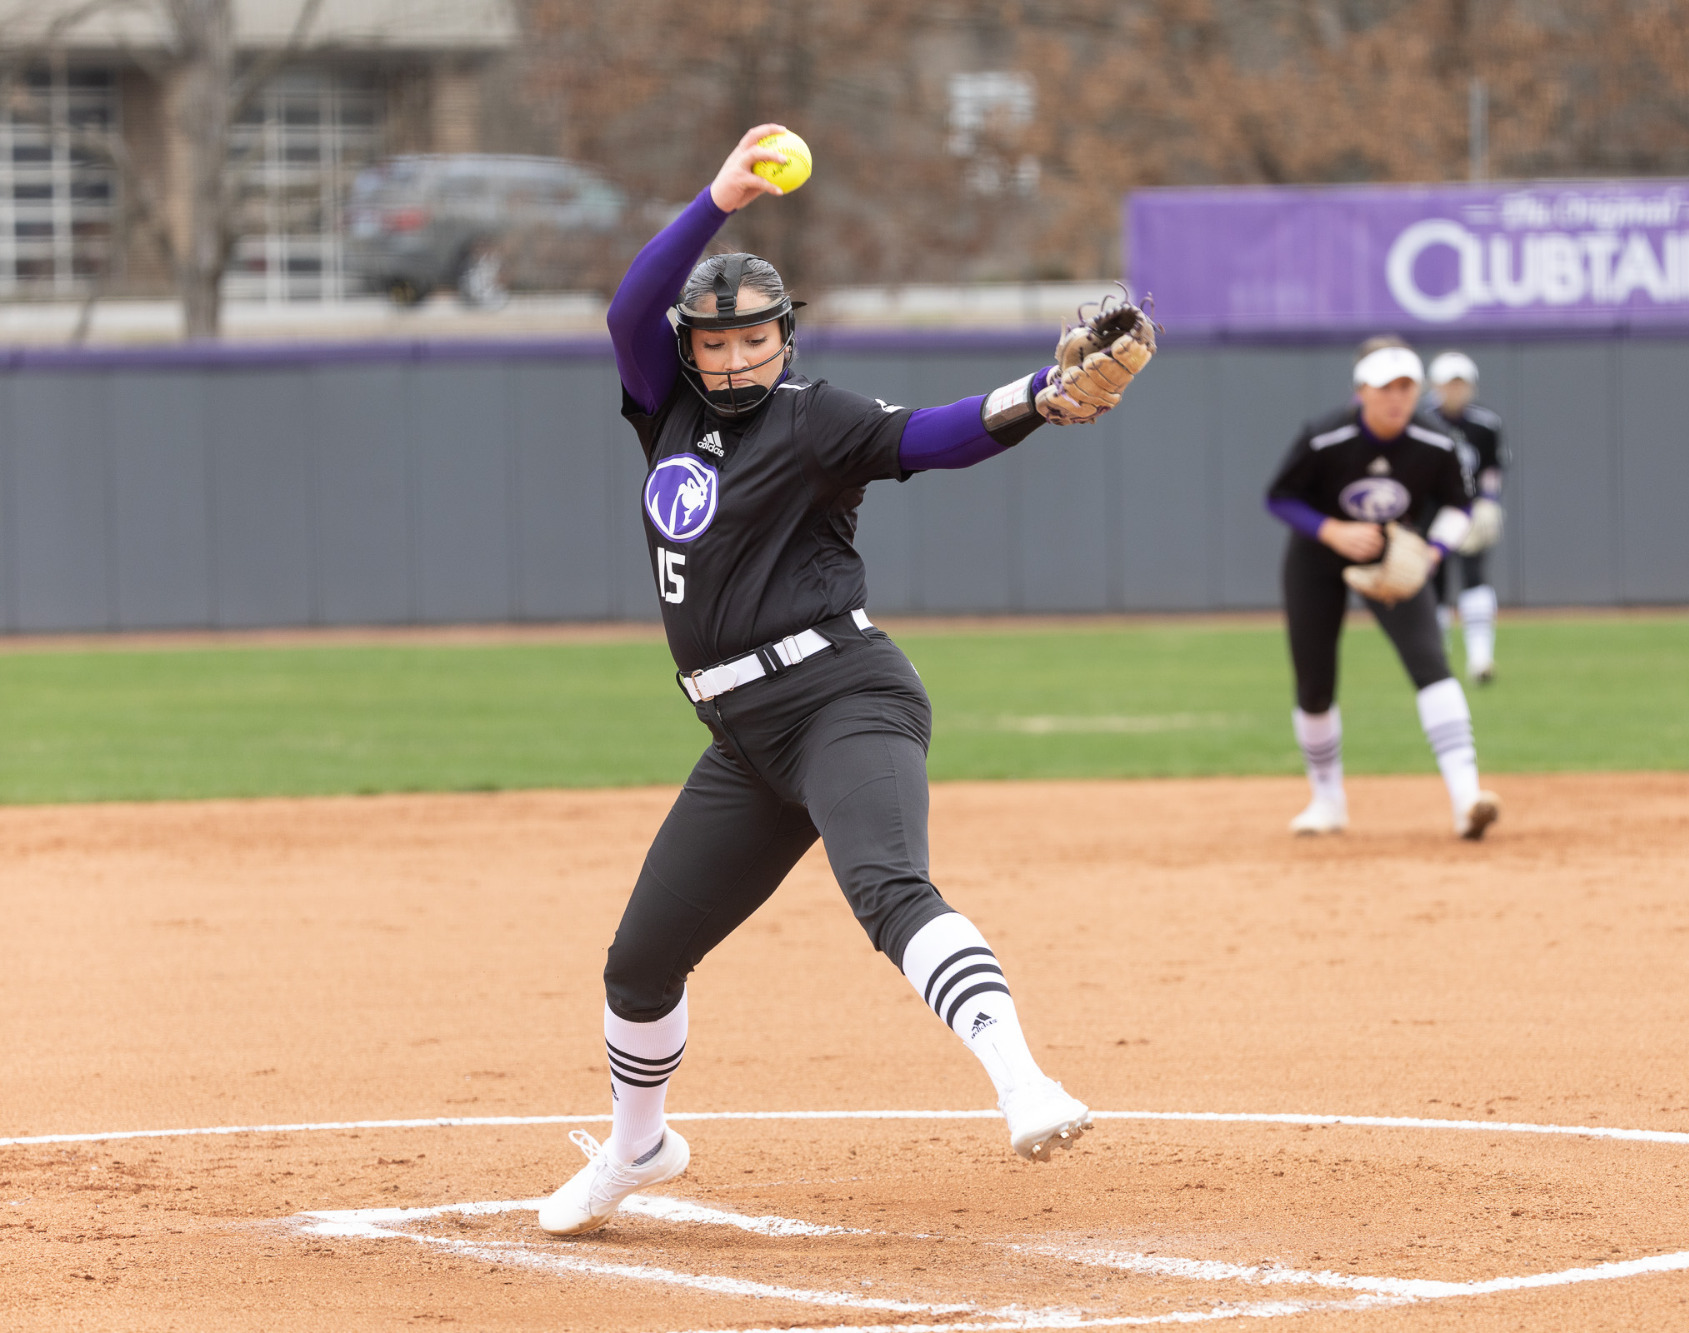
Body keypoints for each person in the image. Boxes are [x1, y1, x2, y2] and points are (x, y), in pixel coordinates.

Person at [537, 125, 1155, 1237]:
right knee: (638, 963)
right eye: (715, 342)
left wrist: (1037, 394)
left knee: (887, 887)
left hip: (842, 696)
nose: (735, 358)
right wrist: (718, 196)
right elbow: (630, 310)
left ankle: (1023, 1081)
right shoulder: (665, 410)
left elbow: (932, 436)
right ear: (690, 352)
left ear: (785, 337)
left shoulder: (811, 417)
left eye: (755, 337)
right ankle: (638, 1148)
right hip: (742, 739)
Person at [1266, 336, 1501, 841]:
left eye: (1405, 386)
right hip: (1317, 557)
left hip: (1393, 558)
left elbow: (1460, 505)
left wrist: (1433, 553)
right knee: (1314, 683)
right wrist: (1332, 531)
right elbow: (1280, 497)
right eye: (1384, 387)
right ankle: (1327, 801)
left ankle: (1468, 799)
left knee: (1431, 665)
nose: (1396, 397)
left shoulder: (1436, 442)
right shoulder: (1325, 436)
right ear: (1361, 392)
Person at [1425, 351, 1505, 685]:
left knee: (1474, 576)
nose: (1455, 391)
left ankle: (1480, 658)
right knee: (1433, 583)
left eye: (1461, 384)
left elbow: (1491, 469)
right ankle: (1436, 660)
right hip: (1431, 512)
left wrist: (1488, 503)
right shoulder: (1422, 422)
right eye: (1449, 384)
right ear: (1435, 386)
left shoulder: (1485, 424)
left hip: (1469, 510)